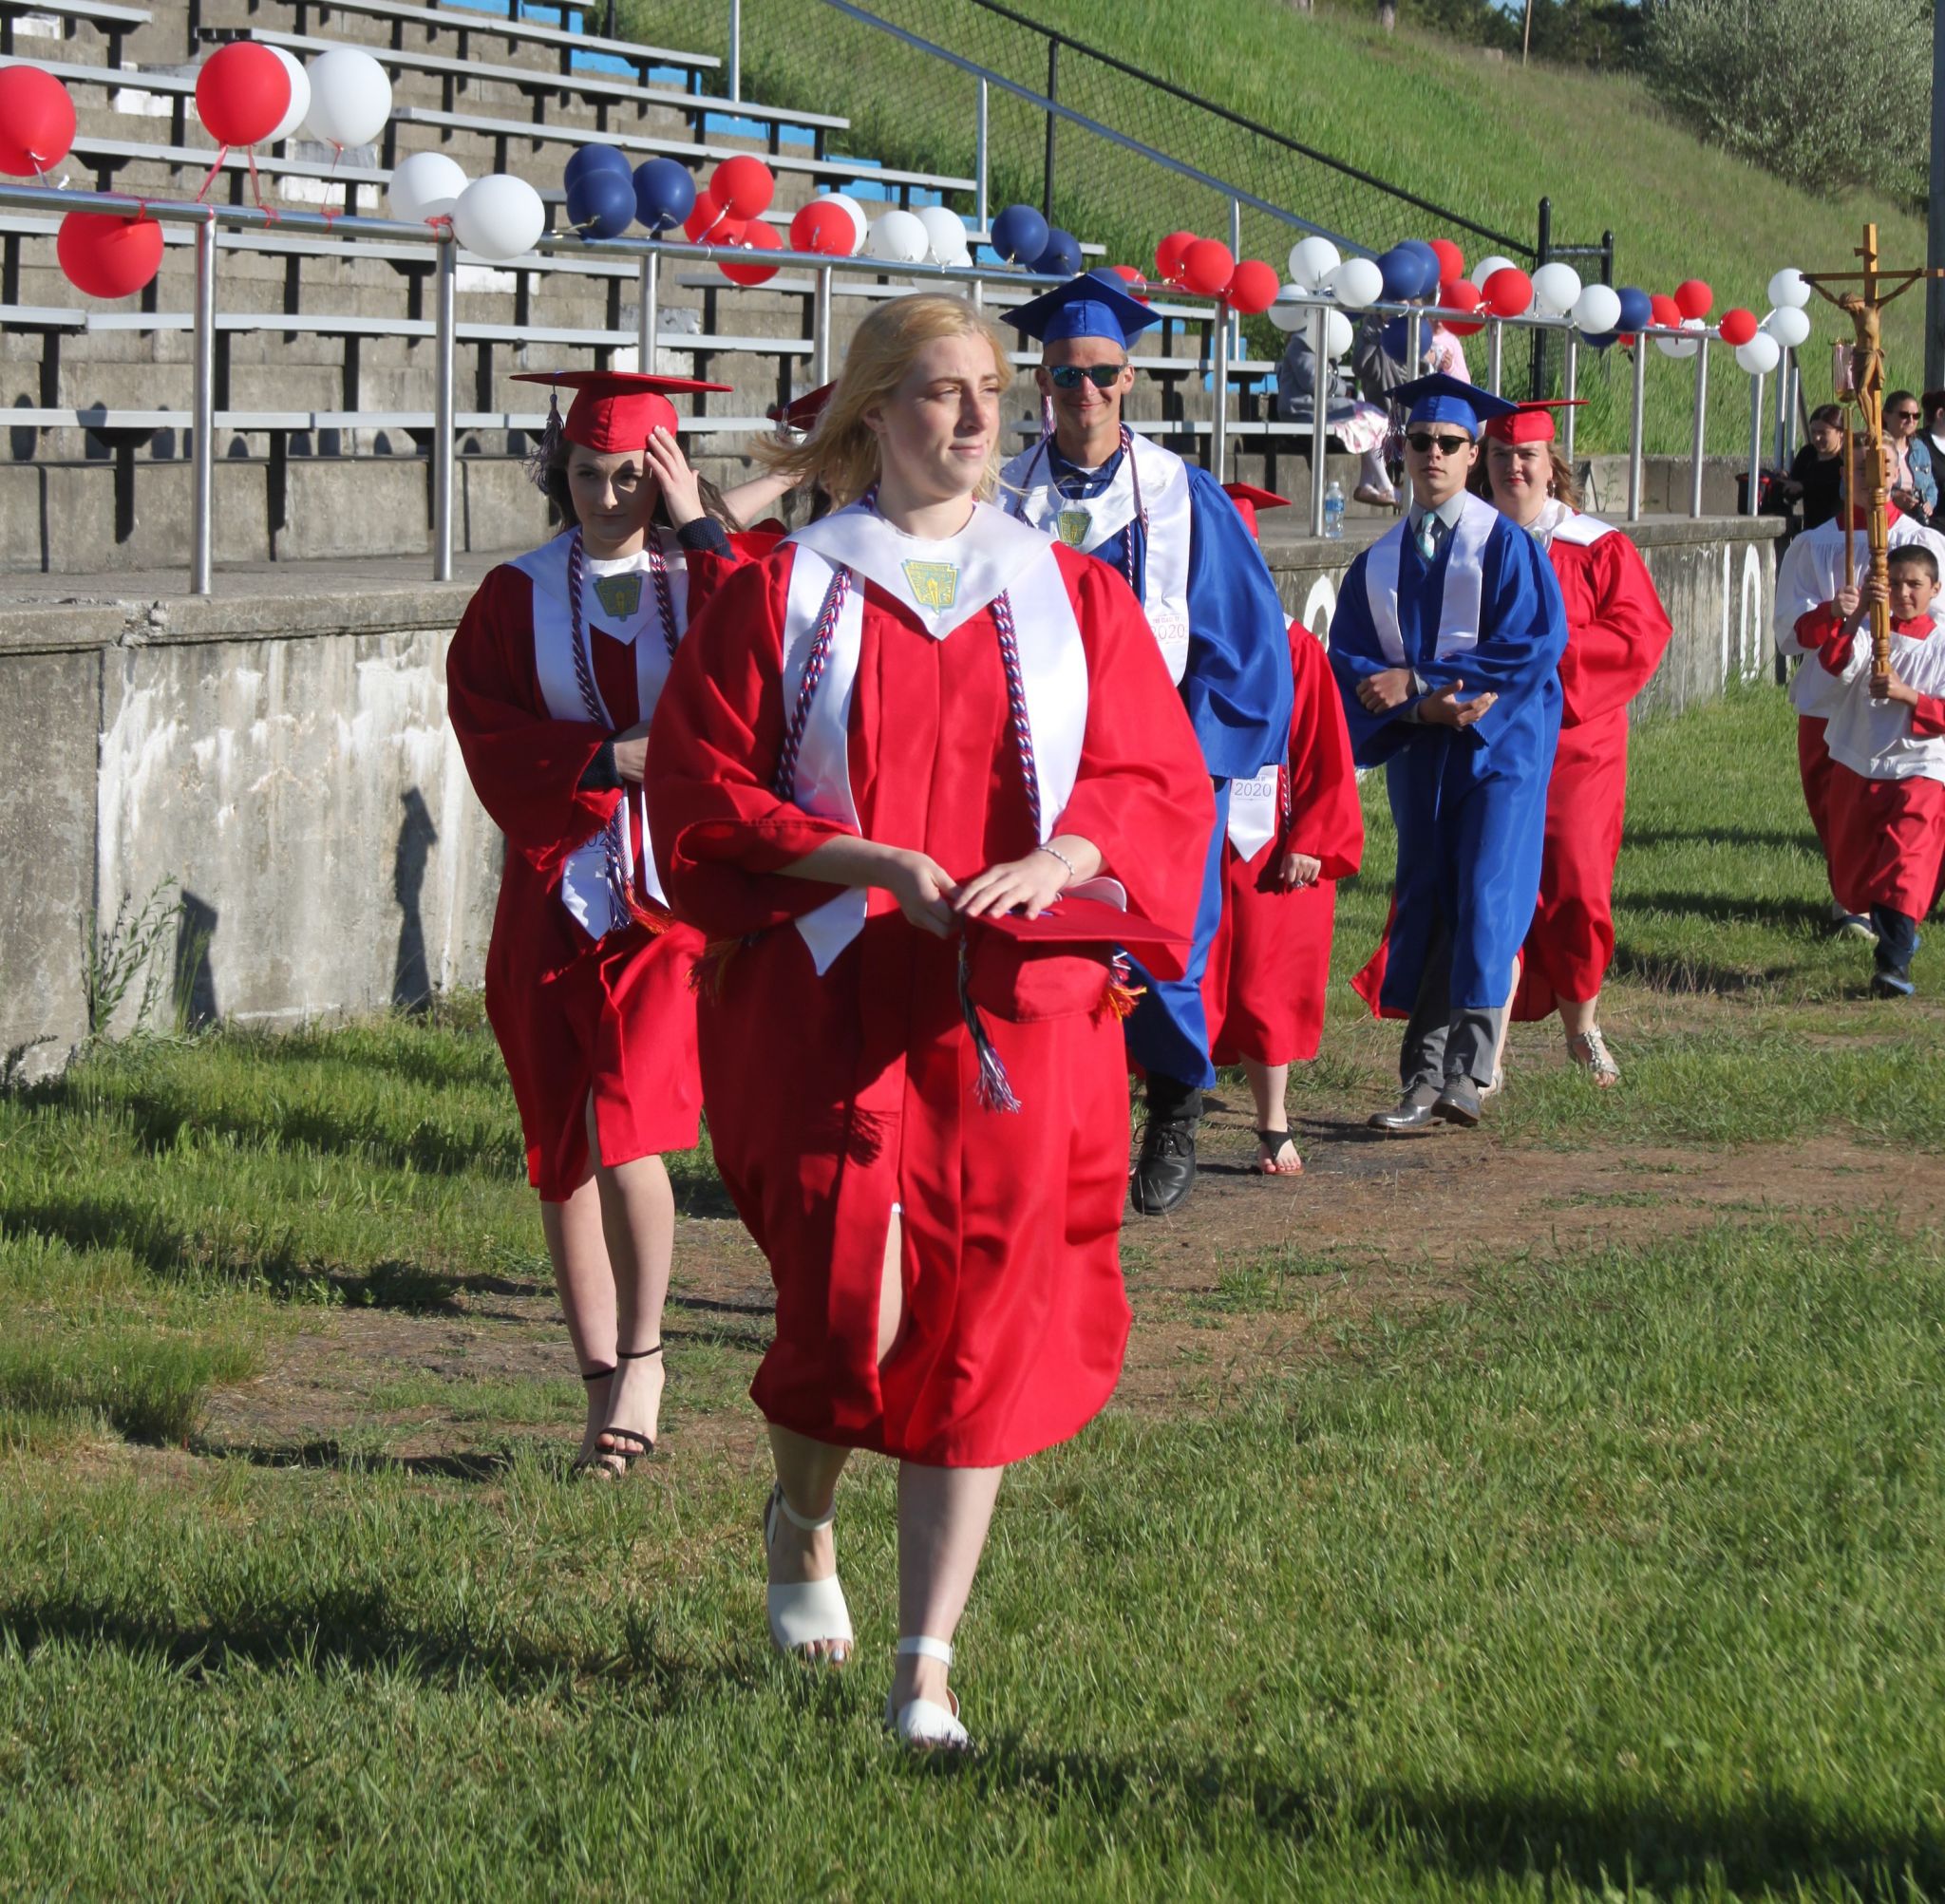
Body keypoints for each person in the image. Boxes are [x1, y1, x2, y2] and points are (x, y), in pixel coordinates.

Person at [645, 294, 1212, 1750]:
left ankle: (926, 1666)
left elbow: (1154, 776)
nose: (974, 415)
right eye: (940, 391)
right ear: (874, 413)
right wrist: (867, 859)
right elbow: (702, 791)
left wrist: (1065, 857)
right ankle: (801, 1513)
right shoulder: (784, 593)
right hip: (831, 993)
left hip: (1013, 1010)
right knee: (850, 1312)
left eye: (988, 391)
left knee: (983, 1327)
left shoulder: (1064, 595)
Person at [445, 369, 747, 1478]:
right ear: (557, 473)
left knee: (630, 1123)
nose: (607, 495)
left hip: (665, 900)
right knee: (561, 1141)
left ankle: (647, 1355)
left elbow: (765, 662)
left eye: (631, 476)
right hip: (553, 885)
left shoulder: (703, 578)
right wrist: (597, 758)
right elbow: (482, 722)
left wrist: (701, 526)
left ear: (666, 477)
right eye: (587, 473)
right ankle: (595, 1389)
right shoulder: (513, 595)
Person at [997, 270, 1294, 1216]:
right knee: (1041, 944)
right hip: (1037, 766)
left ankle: (1172, 1106)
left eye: (1101, 372)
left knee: (1167, 945)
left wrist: (1189, 767)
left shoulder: (1180, 495)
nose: (1083, 389)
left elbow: (1241, 644)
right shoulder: (1002, 497)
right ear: (1042, 381)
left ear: (1129, 378)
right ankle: (1049, 1124)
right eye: (1065, 373)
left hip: (1157, 766)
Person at [1331, 373, 1569, 1132]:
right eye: (1420, 441)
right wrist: (1418, 706)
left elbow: (1533, 645)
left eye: (1449, 442)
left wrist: (1424, 680)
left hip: (1500, 751)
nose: (1432, 453)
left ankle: (1469, 1070)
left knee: (1487, 891)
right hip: (1421, 754)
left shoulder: (1506, 547)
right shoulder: (1376, 564)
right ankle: (1421, 1077)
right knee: (1429, 893)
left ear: (1473, 455)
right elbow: (1349, 662)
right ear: (1400, 453)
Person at [1477, 400, 1672, 1085]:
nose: (1513, 467)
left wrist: (1544, 654)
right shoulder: (1469, 541)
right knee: (1493, 886)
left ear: (1551, 465)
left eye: (1525, 455)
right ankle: (1487, 1054)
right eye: (1500, 455)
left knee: (1579, 886)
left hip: (1578, 747)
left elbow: (1638, 635)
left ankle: (1581, 1026)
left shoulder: (1597, 546)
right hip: (1491, 739)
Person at [1201, 483, 1365, 1174]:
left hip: (1273, 837)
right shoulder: (1177, 644)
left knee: (1265, 981)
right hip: (1198, 835)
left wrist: (1312, 839)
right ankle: (1167, 1119)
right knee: (1187, 974)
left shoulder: (1296, 646)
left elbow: (1325, 749)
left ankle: (1273, 1122)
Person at [1774, 432, 1945, 939]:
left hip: (1902, 696)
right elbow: (1790, 631)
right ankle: (1852, 897)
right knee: (1838, 807)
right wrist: (1836, 612)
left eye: (1884, 466)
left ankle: (1893, 904)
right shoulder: (1813, 545)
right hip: (1831, 694)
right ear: (1844, 473)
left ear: (1898, 472)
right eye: (1861, 467)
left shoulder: (1926, 544)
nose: (1874, 477)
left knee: (1907, 807)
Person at [1799, 549, 1945, 995]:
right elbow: (1833, 664)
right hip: (1859, 759)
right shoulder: (1867, 632)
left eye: (1914, 585)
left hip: (1919, 767)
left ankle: (1893, 963)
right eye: (1894, 583)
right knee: (1853, 872)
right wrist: (1860, 610)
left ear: (1935, 589)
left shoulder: (1941, 643)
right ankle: (1894, 929)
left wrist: (1907, 695)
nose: (1903, 593)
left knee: (1907, 863)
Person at [1274, 327, 1398, 508]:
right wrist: (1344, 389)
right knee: (1368, 416)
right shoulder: (1301, 343)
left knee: (1375, 416)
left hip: (1320, 405)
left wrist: (1346, 389)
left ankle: (1367, 484)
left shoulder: (1322, 342)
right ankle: (1385, 486)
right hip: (1302, 408)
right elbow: (1314, 381)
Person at [1786, 405, 1846, 537]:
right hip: (1812, 532)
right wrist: (1786, 485)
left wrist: (1804, 486)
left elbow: (1837, 487)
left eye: (1823, 433)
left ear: (1841, 433)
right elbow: (1793, 490)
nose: (1817, 438)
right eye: (1813, 432)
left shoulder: (1848, 458)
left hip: (1840, 533)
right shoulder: (1808, 454)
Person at [1884, 389, 1936, 524]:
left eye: (1916, 416)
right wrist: (1894, 496)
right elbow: (1850, 489)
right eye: (1904, 415)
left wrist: (1929, 503)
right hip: (1886, 521)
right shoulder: (1873, 449)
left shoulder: (1920, 449)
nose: (1911, 420)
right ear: (1886, 416)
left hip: (1916, 522)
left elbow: (1931, 485)